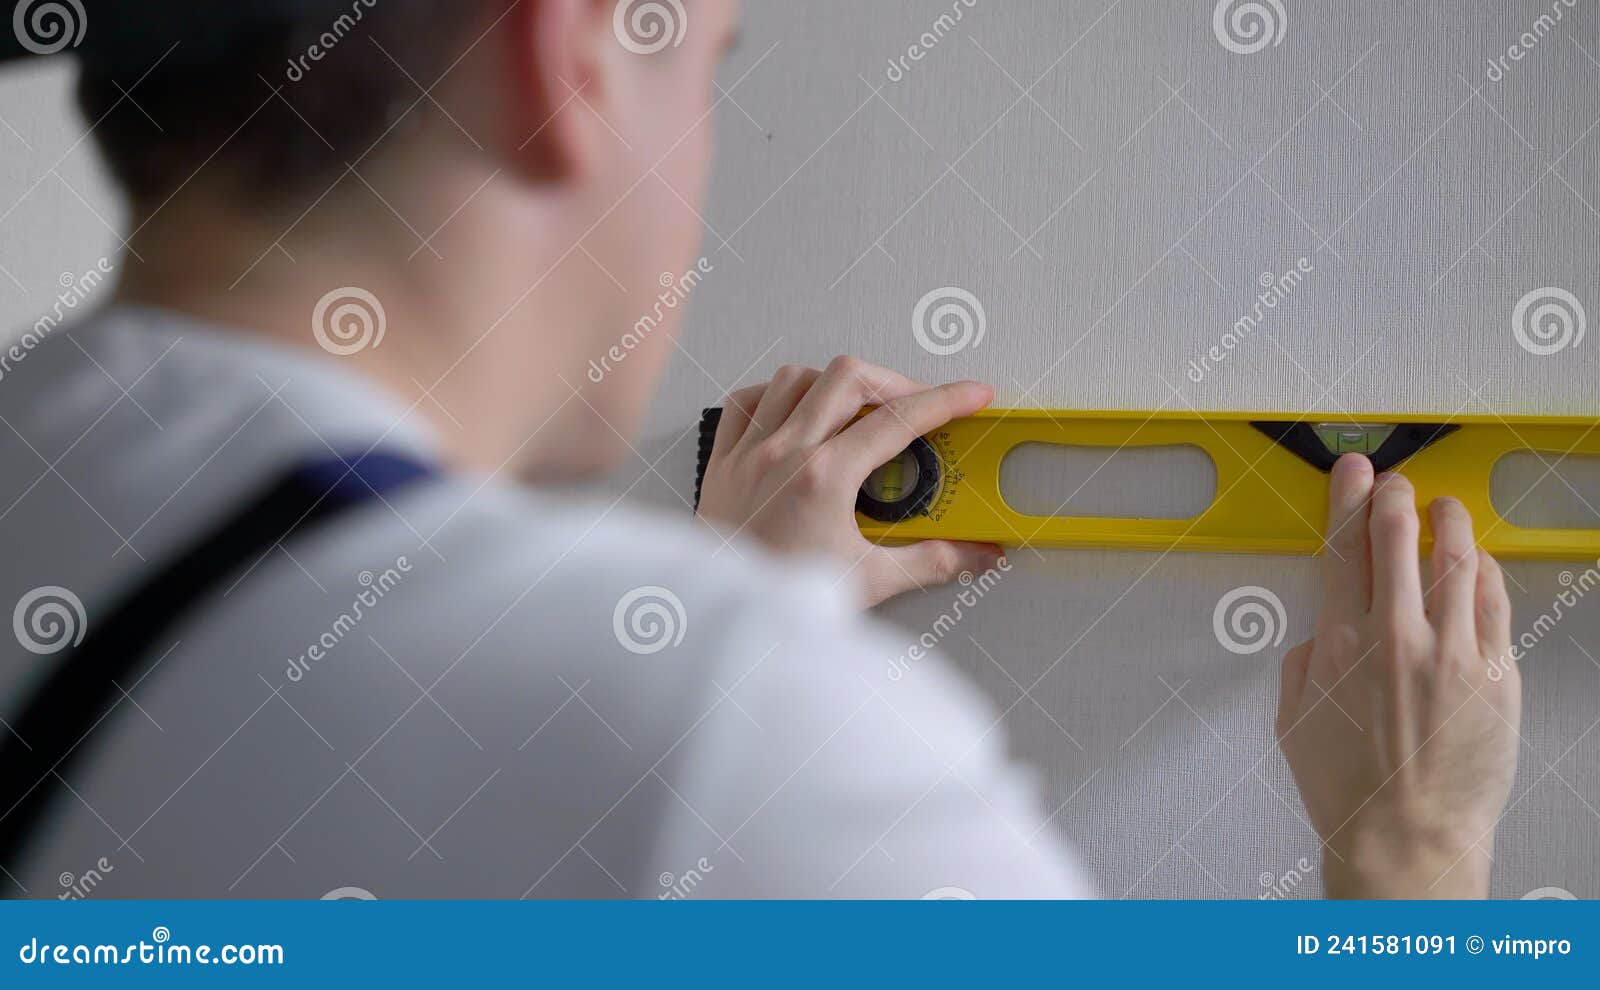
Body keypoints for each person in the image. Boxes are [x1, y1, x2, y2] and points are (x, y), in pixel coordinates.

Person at [0, 0, 1518, 899]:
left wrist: (688, 627)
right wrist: (1414, 849)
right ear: (572, 60)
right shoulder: (725, 734)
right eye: (709, 64)